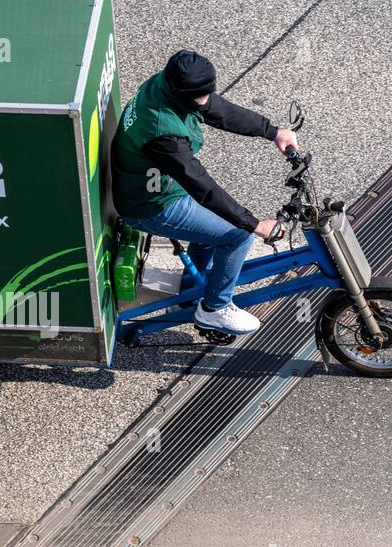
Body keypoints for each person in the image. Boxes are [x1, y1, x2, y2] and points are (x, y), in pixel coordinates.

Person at [111, 50, 298, 335]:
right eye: (197, 97)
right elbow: (201, 186)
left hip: (163, 187)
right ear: (179, 90)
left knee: (215, 229)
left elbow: (218, 110)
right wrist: (254, 224)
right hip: (150, 205)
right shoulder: (162, 130)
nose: (203, 101)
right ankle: (215, 309)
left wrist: (273, 132)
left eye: (205, 93)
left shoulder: (167, 84)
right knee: (237, 235)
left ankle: (185, 296)